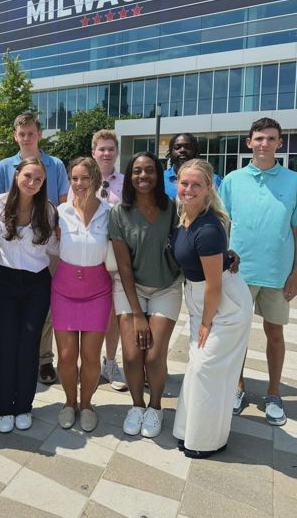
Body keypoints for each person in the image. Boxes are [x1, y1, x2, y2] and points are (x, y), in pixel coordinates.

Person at [222, 117, 297, 421]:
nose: (264, 144)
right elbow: (223, 224)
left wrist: (296, 269)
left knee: (274, 333)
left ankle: (274, 393)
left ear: (280, 143)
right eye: (259, 138)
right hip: (239, 273)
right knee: (239, 334)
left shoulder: (294, 181)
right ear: (249, 143)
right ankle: (237, 385)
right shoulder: (233, 180)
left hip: (277, 273)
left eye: (271, 139)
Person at [171, 159, 253, 459]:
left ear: (209, 189)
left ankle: (207, 440)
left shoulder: (208, 228)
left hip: (224, 306)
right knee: (197, 367)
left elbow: (214, 285)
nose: (189, 189)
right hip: (201, 299)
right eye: (184, 183)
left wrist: (206, 323)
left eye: (196, 185)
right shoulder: (184, 217)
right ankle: (188, 431)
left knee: (207, 369)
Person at [0, 112, 68, 385]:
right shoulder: (4, 166)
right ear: (15, 136)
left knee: (44, 305)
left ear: (39, 135)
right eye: (21, 134)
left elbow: (63, 202)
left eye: (31, 133)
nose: (26, 138)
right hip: (15, 248)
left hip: (48, 243)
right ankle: (17, 358)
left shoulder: (55, 165)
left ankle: (44, 358)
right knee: (16, 309)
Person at [109, 152, 182, 439]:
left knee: (153, 356)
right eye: (137, 171)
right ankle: (137, 405)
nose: (143, 176)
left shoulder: (172, 208)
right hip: (131, 288)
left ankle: (155, 407)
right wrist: (138, 314)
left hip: (167, 287)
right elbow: (124, 267)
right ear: (129, 176)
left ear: (158, 174)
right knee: (130, 354)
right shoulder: (119, 213)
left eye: (150, 170)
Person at [0, 157, 59, 433]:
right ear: (16, 175)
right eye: (27, 176)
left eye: (38, 179)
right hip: (5, 282)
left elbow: (54, 250)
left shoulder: (49, 211)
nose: (32, 182)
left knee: (29, 343)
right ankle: (4, 406)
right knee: (7, 341)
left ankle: (23, 406)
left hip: (36, 284)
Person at [52, 158, 113, 431]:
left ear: (96, 179)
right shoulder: (60, 212)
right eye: (74, 179)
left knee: (90, 356)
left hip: (98, 292)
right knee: (65, 355)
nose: (79, 184)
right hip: (64, 290)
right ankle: (69, 402)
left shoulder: (109, 213)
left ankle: (86, 404)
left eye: (85, 178)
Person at [90, 129, 127, 392]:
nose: (106, 153)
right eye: (101, 149)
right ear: (94, 152)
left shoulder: (127, 183)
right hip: (89, 258)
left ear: (116, 152)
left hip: (116, 257)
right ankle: (89, 361)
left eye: (110, 149)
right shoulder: (81, 180)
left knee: (114, 313)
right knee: (92, 312)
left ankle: (111, 362)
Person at [164, 133, 221, 199]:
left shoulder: (213, 180)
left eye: (188, 147)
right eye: (177, 147)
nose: (182, 150)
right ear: (170, 152)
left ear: (196, 151)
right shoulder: (160, 179)